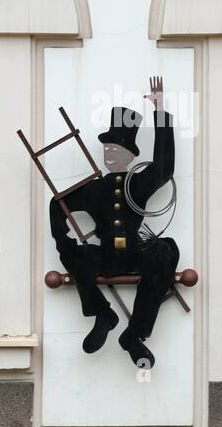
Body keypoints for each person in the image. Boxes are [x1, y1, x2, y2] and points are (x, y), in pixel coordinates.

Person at [50, 76, 179, 369]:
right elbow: (58, 204)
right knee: (77, 255)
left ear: (131, 155)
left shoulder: (138, 183)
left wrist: (160, 113)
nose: (110, 154)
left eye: (117, 150)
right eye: (107, 149)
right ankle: (103, 314)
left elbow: (163, 168)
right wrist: (64, 241)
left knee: (166, 251)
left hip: (134, 254)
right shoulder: (95, 188)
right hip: (106, 256)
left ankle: (134, 336)